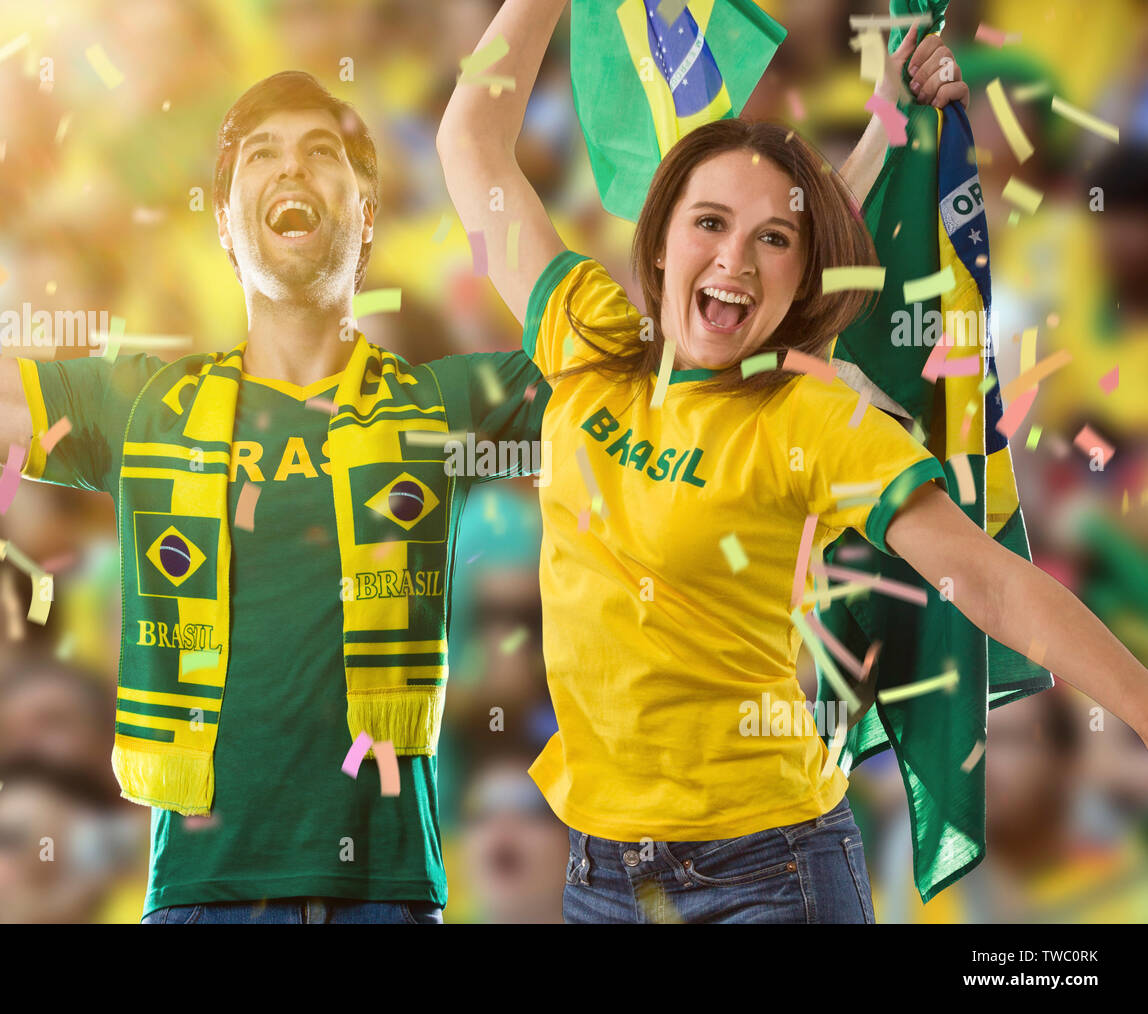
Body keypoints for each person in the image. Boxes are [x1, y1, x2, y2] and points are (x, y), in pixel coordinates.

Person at [437, 0, 1148, 923]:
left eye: (772, 240)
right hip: (602, 881)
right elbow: (471, 146)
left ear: (800, 277)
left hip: (773, 879)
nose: (735, 259)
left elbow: (991, 584)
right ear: (658, 241)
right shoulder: (584, 338)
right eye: (710, 224)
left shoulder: (817, 418)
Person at [0, 70, 550, 924]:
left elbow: (610, 351)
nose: (291, 169)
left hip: (390, 900)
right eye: (262, 154)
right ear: (224, 223)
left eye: (321, 153)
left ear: (368, 218)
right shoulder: (138, 410)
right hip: (197, 904)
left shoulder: (448, 407)